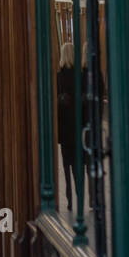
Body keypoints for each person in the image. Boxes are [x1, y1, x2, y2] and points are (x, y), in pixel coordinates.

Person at [56, 41, 78, 212]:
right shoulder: (79, 76)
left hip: (64, 129)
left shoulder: (58, 76)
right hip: (77, 128)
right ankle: (80, 194)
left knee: (66, 165)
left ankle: (69, 199)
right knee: (78, 166)